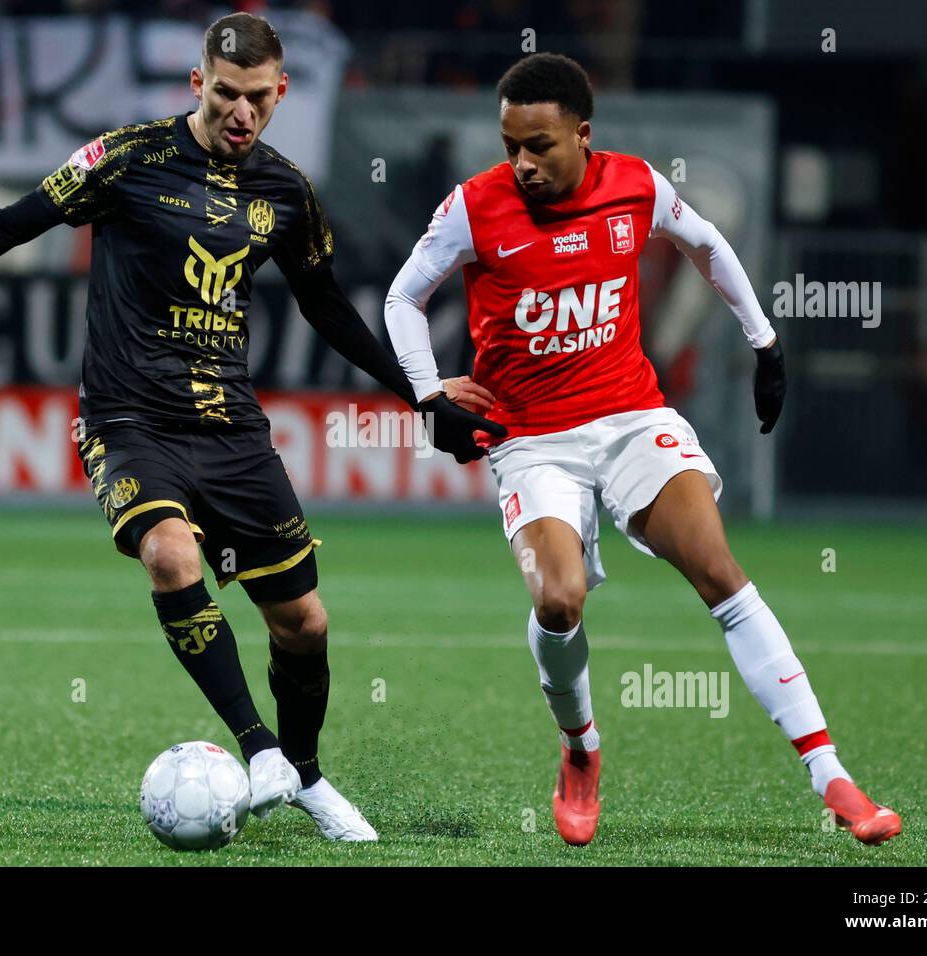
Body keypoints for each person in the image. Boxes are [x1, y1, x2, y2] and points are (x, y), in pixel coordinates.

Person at [0, 12, 499, 842]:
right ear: (198, 84)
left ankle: (306, 775)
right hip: (128, 418)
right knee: (169, 552)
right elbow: (13, 221)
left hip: (230, 429)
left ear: (280, 92)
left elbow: (326, 306)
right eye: (226, 94)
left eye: (258, 98)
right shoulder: (128, 158)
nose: (240, 113)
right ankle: (260, 750)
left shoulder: (286, 193)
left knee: (304, 624)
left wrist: (421, 398)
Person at [383, 52, 901, 847]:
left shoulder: (636, 185)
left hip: (629, 415)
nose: (521, 163)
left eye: (540, 145)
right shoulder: (472, 209)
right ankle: (580, 748)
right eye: (510, 144)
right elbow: (403, 297)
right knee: (558, 600)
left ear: (583, 135)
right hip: (532, 439)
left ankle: (830, 773)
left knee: (721, 572)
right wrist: (427, 394)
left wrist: (765, 344)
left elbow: (708, 244)